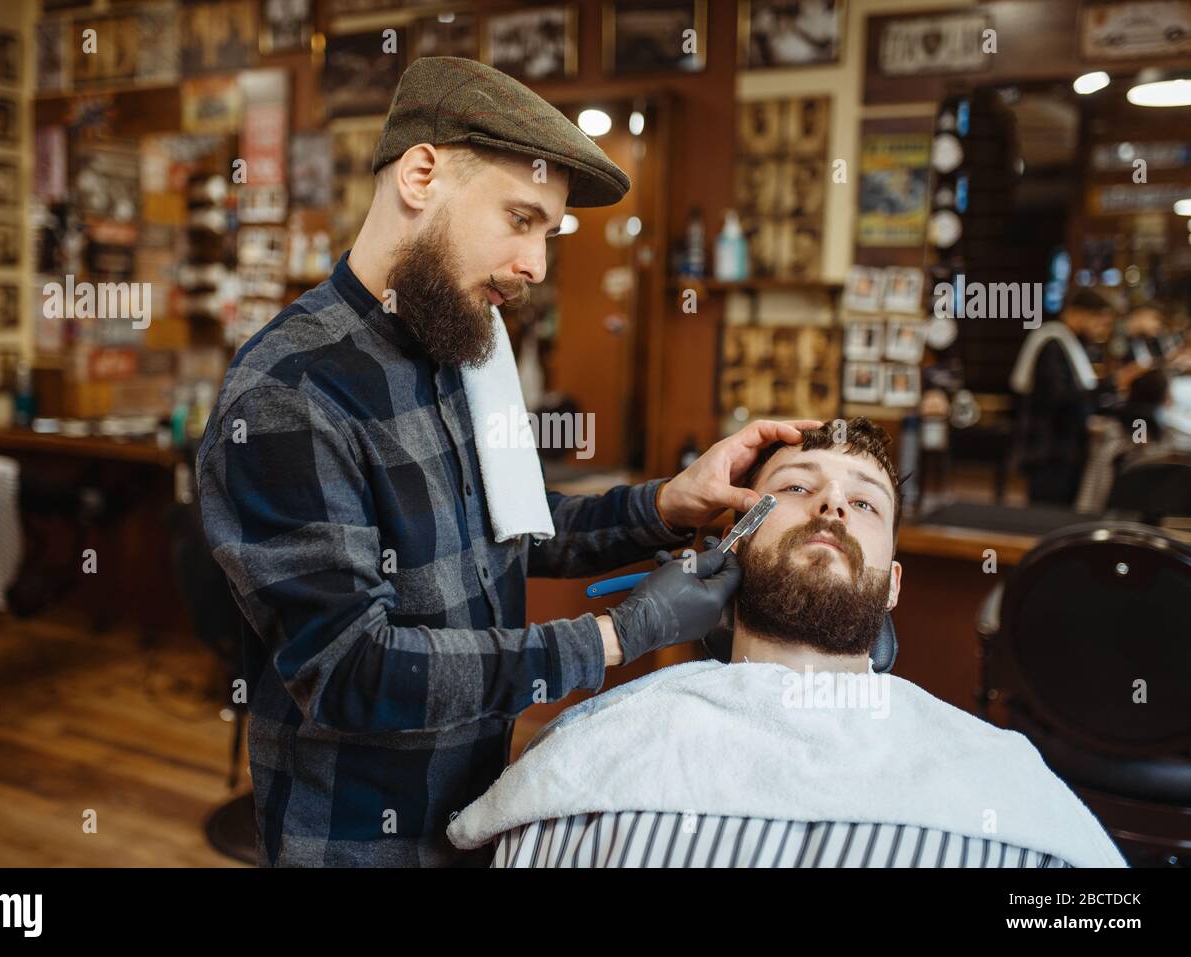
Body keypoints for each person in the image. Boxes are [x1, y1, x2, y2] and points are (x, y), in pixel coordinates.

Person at [197, 56, 816, 867]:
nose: (536, 266)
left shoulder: (464, 347)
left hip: (476, 815)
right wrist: (616, 635)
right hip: (355, 843)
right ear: (421, 174)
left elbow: (514, 524)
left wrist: (667, 503)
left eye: (548, 234)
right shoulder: (288, 394)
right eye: (521, 220)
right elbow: (353, 669)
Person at [447, 419, 1127, 868]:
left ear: (892, 584)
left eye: (864, 504)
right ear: (729, 546)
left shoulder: (997, 776)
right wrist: (619, 634)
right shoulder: (595, 757)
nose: (831, 505)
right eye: (797, 487)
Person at [1010, 289, 1116, 505]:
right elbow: (1058, 398)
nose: (1100, 330)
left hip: (1066, 450)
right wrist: (1111, 384)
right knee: (1046, 516)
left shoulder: (1072, 344)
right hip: (1050, 452)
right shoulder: (1052, 343)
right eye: (1098, 321)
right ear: (1077, 313)